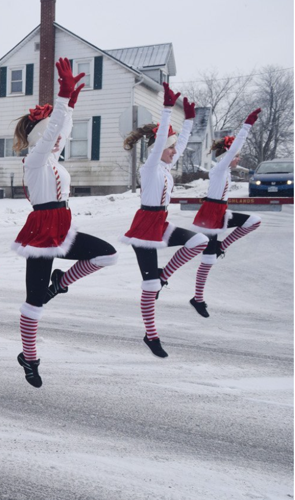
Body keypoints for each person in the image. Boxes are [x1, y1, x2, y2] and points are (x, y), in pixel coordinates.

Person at [10, 58, 118, 388]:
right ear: (37, 137)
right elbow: (50, 135)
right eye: (48, 134)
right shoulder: (34, 159)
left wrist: (70, 106)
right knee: (34, 303)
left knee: (107, 255)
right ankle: (29, 357)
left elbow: (60, 131)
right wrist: (62, 99)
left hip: (63, 230)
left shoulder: (53, 159)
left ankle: (60, 282)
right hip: (41, 234)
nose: (57, 139)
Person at [120, 83, 208, 357]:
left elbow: (178, 144)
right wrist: (167, 109)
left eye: (172, 149)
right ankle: (151, 335)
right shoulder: (150, 168)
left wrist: (189, 121)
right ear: (158, 149)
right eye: (169, 149)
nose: (173, 152)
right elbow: (162, 143)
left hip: (161, 223)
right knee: (150, 287)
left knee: (199, 241)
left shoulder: (166, 166)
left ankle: (164, 275)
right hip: (144, 228)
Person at [189, 108, 262, 317]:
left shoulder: (226, 172)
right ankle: (197, 298)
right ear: (227, 155)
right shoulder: (219, 169)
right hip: (210, 215)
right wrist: (247, 126)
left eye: (237, 156)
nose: (238, 158)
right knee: (207, 260)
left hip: (220, 212)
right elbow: (233, 150)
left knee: (254, 221)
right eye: (236, 155)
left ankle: (222, 246)